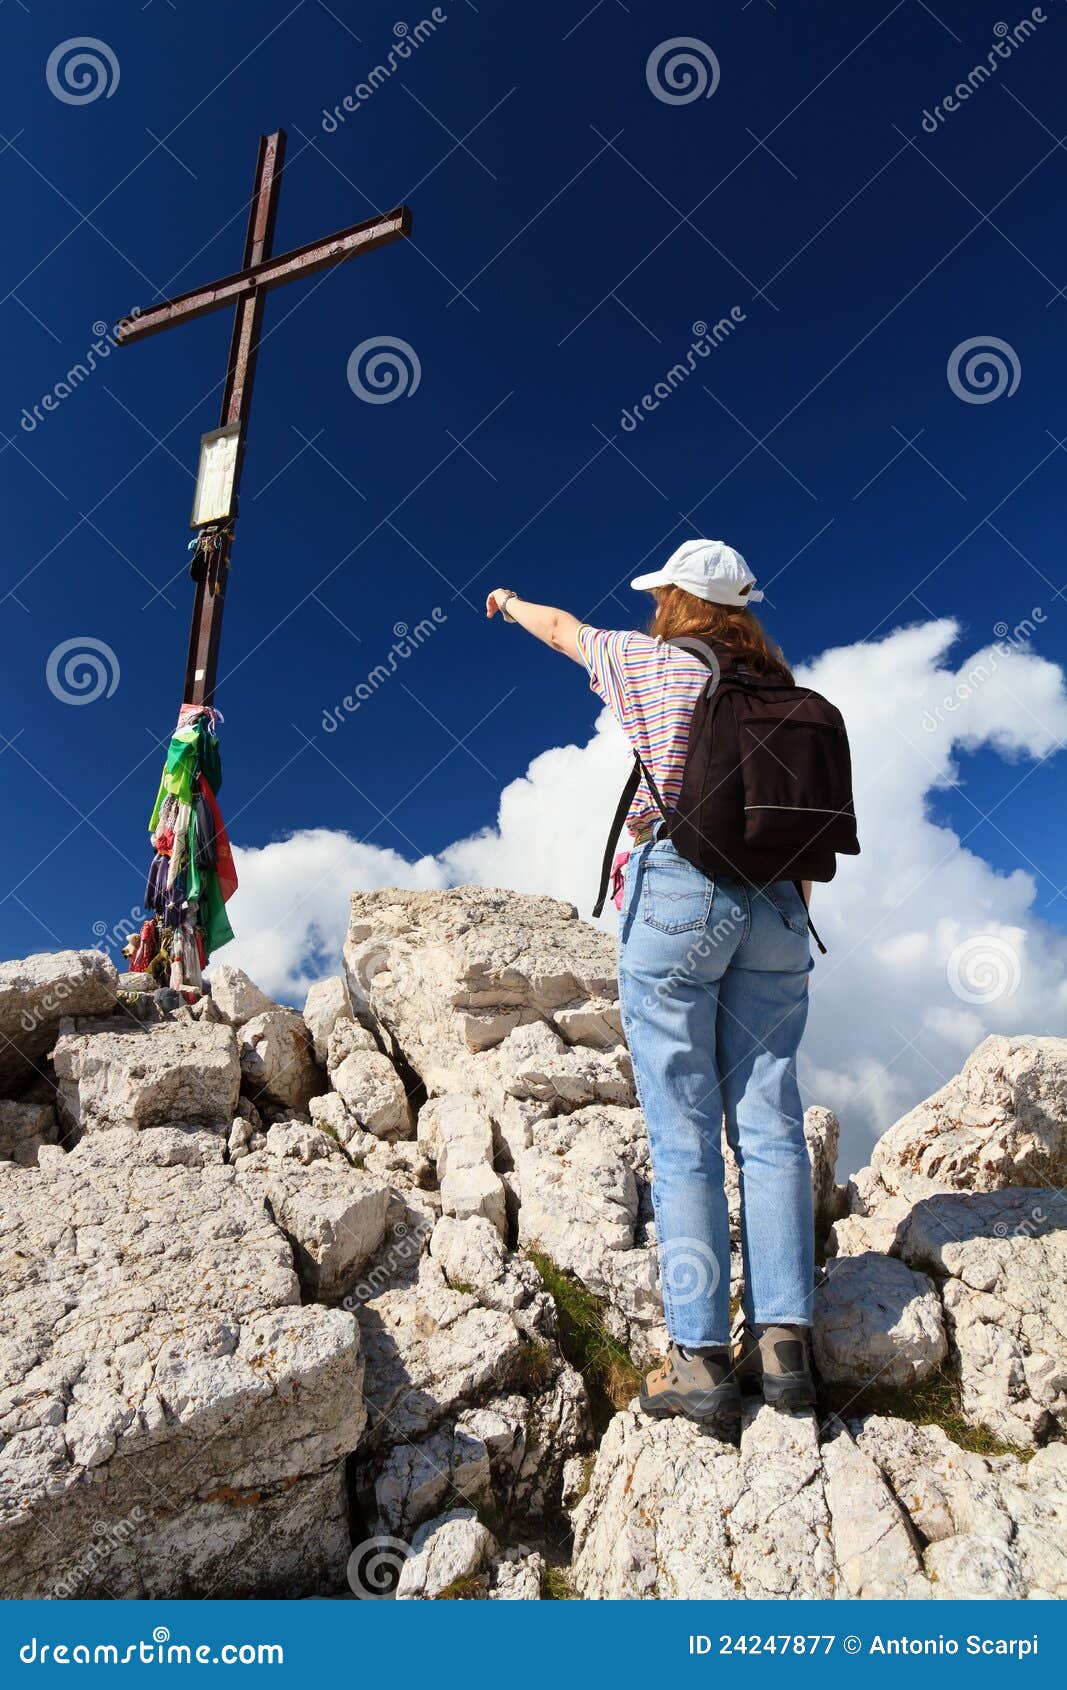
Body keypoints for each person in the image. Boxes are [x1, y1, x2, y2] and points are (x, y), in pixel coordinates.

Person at [486, 540, 817, 1426]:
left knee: (682, 1133)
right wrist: (787, 912)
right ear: (740, 608)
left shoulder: (647, 661)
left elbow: (564, 631)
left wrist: (508, 601)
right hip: (781, 904)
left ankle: (699, 1361)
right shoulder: (781, 692)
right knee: (771, 1124)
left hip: (680, 892)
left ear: (674, 600)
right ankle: (785, 1348)